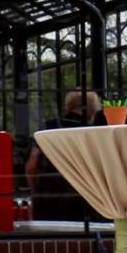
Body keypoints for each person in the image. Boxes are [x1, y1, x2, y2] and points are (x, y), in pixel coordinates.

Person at [24, 89, 101, 222]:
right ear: (93, 110)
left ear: (68, 106)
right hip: (81, 199)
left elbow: (31, 166)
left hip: (47, 196)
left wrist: (36, 190)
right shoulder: (92, 133)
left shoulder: (47, 128)